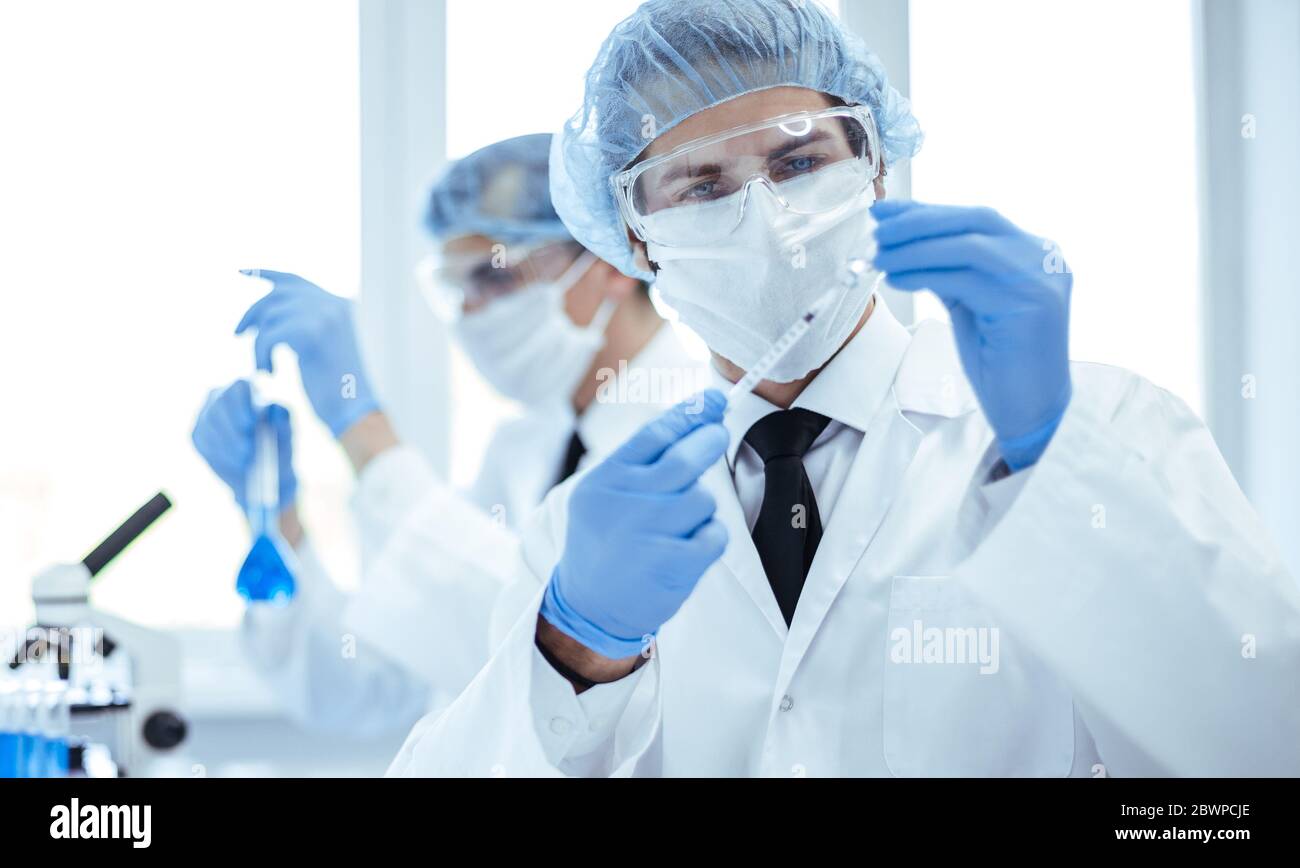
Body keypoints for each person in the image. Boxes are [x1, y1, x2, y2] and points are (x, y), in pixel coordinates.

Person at [388, 0, 1300, 777]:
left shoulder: (1098, 425)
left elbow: (1257, 755)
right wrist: (574, 650)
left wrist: (1055, 465)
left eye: (795, 163)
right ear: (633, 242)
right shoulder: (585, 531)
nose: (762, 214)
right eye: (701, 184)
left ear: (875, 166)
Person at [191, 133, 703, 736]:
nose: (471, 312)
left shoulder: (697, 441)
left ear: (611, 258)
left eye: (495, 276)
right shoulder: (523, 448)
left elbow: (546, 652)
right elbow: (385, 688)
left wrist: (365, 432)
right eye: (457, 286)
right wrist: (278, 527)